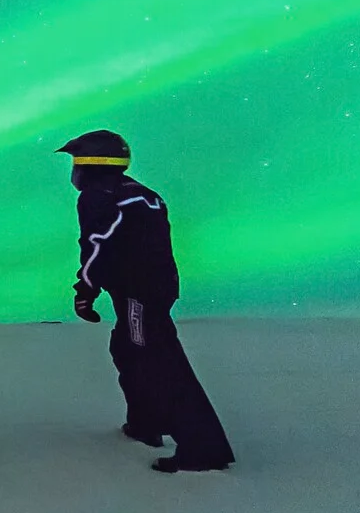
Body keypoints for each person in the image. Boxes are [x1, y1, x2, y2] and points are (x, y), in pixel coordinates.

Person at [59, 130, 235, 473]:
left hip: (137, 294)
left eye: (77, 162)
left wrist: (85, 289)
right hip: (155, 288)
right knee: (128, 349)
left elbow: (96, 245)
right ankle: (146, 422)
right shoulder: (140, 192)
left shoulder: (101, 196)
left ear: (91, 163)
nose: (74, 170)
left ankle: (203, 449)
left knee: (156, 361)